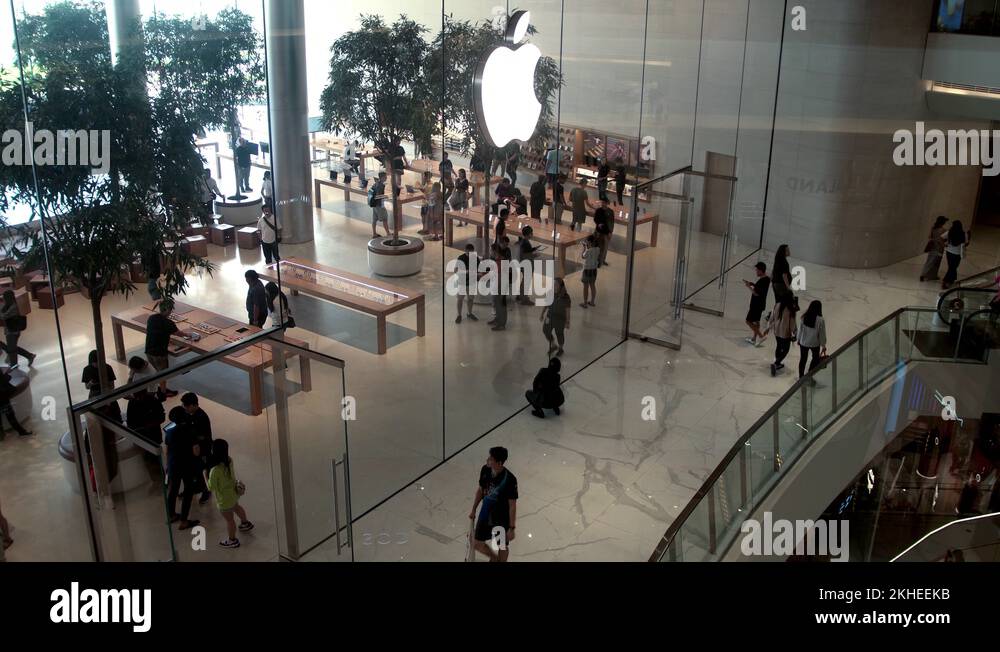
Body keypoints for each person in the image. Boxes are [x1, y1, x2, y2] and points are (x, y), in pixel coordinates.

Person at [468, 446, 518, 562]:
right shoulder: (485, 470)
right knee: (476, 543)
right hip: (485, 515)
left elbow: (512, 505)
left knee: (500, 545)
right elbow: (481, 490)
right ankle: (494, 559)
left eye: (491, 459)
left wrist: (511, 528)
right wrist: (474, 509)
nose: (488, 460)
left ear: (499, 463)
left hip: (500, 519)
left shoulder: (510, 479)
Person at [207, 439, 254, 549]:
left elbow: (211, 487)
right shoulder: (230, 460)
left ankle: (232, 540)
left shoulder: (214, 470)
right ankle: (245, 523)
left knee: (230, 520)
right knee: (237, 507)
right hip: (234, 493)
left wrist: (205, 476)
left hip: (224, 500)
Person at [145, 300, 191, 400]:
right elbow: (178, 333)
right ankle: (162, 393)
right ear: (166, 310)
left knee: (154, 371)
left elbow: (157, 331)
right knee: (162, 374)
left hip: (148, 350)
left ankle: (156, 390)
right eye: (170, 310)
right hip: (159, 353)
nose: (171, 312)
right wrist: (188, 335)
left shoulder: (151, 318)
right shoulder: (168, 323)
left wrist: (167, 338)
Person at [165, 406, 201, 531]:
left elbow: (167, 449)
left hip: (173, 465)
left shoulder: (169, 432)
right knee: (188, 491)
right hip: (187, 466)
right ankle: (184, 520)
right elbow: (196, 451)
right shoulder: (190, 430)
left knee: (173, 490)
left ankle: (171, 515)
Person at [181, 393, 214, 505]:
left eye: (186, 406)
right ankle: (198, 487)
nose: (184, 408)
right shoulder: (190, 414)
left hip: (204, 449)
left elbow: (203, 435)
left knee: (204, 470)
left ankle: (207, 490)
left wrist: (193, 438)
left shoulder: (202, 417)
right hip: (195, 449)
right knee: (196, 470)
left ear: (194, 405)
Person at [766, 293, 799, 377]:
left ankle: (778, 362)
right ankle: (776, 363)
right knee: (786, 349)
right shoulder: (791, 309)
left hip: (777, 331)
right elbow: (792, 323)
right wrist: (795, 332)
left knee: (779, 346)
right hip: (785, 333)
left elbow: (772, 317)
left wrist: (769, 326)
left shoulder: (777, 305)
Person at [0, 291, 33, 367]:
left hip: (13, 331)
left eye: (4, 298)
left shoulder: (13, 307)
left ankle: (14, 364)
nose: (3, 299)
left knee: (11, 349)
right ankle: (29, 356)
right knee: (12, 347)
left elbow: (3, 316)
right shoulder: (7, 305)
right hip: (9, 330)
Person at [541, 278, 571, 357]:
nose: (554, 286)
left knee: (559, 334)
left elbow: (568, 310)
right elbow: (546, 304)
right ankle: (553, 345)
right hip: (550, 316)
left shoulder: (566, 297)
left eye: (556, 285)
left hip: (560, 319)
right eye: (553, 285)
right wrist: (542, 313)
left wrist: (567, 322)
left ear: (561, 286)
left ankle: (560, 348)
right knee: (545, 330)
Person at [797, 300, 827, 379]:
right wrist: (823, 345)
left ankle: (801, 376)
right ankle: (810, 373)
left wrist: (798, 339)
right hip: (814, 343)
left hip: (803, 342)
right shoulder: (820, 320)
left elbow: (800, 330)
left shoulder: (804, 317)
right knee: (815, 358)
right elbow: (822, 334)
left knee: (803, 359)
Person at [743, 262, 771, 346]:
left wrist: (748, 286)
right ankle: (754, 339)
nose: (756, 272)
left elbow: (756, 293)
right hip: (760, 304)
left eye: (757, 270)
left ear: (761, 270)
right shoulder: (766, 279)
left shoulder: (763, 280)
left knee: (748, 321)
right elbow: (760, 289)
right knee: (756, 321)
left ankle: (761, 336)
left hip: (756, 305)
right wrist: (753, 284)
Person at [0, 368, 31, 437]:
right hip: (2, 395)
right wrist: (6, 373)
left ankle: (2, 434)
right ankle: (21, 431)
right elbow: (4, 380)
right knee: (10, 415)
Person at [515, 226, 540, 305]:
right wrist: (535, 255)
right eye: (531, 233)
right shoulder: (525, 243)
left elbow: (526, 251)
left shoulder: (523, 241)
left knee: (524, 281)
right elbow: (525, 255)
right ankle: (524, 299)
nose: (532, 234)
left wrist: (533, 249)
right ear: (528, 234)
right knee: (526, 282)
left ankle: (520, 295)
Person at [456, 244, 479, 324]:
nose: (470, 255)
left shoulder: (475, 258)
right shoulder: (461, 258)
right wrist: (466, 271)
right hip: (462, 282)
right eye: (469, 253)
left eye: (472, 252)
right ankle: (459, 315)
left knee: (471, 299)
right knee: (460, 299)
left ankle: (469, 313)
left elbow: (478, 269)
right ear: (465, 250)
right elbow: (456, 270)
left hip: (471, 282)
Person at [920, 216, 948, 282]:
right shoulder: (943, 230)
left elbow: (929, 236)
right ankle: (930, 275)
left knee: (929, 262)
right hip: (939, 248)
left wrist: (934, 239)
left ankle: (924, 274)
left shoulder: (933, 228)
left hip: (932, 247)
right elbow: (942, 240)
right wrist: (944, 245)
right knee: (936, 263)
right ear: (943, 222)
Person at [942, 220, 969, 289]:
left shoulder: (950, 232)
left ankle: (951, 279)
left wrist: (945, 244)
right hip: (957, 253)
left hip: (949, 252)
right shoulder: (964, 234)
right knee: (953, 267)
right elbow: (966, 243)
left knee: (951, 267)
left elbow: (941, 237)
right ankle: (946, 281)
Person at [488, 243, 509, 331]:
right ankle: (497, 319)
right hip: (497, 286)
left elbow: (500, 276)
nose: (490, 252)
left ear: (494, 251)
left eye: (491, 250)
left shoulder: (500, 262)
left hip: (500, 288)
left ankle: (502, 324)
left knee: (501, 306)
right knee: (497, 305)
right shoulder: (497, 260)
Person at [580, 235, 601, 309]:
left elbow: (583, 256)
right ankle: (592, 301)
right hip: (594, 270)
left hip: (587, 270)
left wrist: (584, 248)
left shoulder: (588, 250)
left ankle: (585, 303)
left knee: (586, 286)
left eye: (587, 241)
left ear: (590, 242)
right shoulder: (598, 249)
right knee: (592, 285)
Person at [593, 199, 614, 266]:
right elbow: (595, 219)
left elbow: (611, 222)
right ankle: (598, 260)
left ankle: (602, 260)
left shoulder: (610, 212)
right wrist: (598, 224)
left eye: (604, 202)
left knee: (605, 248)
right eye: (602, 202)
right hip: (599, 231)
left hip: (606, 232)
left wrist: (610, 232)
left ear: (607, 203)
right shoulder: (598, 210)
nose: (603, 204)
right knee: (598, 246)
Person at [370, 171, 390, 238]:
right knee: (385, 218)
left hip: (374, 205)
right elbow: (377, 196)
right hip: (379, 205)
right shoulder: (380, 185)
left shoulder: (376, 183)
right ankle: (388, 233)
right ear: (382, 177)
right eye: (385, 177)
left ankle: (374, 233)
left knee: (374, 219)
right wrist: (385, 196)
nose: (386, 178)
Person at [418, 171, 433, 235]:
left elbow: (428, 195)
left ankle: (427, 229)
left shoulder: (430, 185)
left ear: (427, 177)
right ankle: (424, 228)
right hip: (424, 203)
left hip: (427, 203)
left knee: (426, 217)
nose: (423, 178)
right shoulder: (426, 184)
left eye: (424, 176)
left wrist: (421, 190)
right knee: (423, 216)